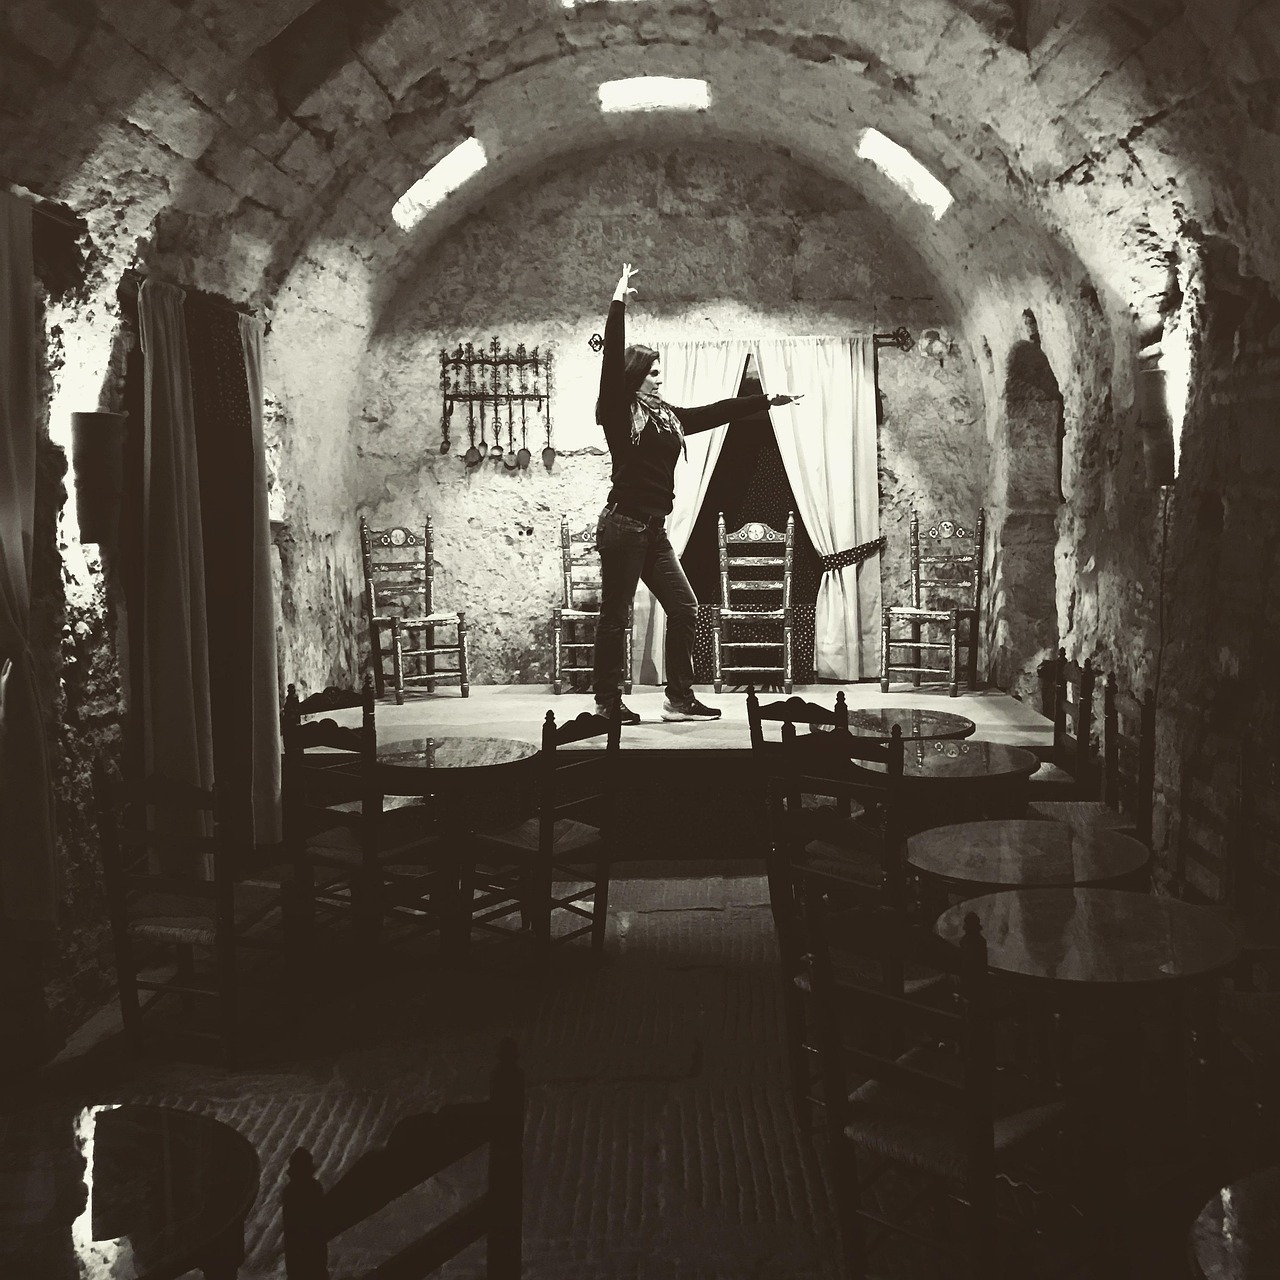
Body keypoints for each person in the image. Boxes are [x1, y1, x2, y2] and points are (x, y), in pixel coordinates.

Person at [591, 263, 803, 723]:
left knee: (685, 608)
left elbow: (713, 412)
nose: (659, 379)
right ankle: (607, 702)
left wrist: (764, 401)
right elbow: (609, 362)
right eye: (652, 373)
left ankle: (679, 696)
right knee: (615, 616)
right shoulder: (617, 411)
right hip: (623, 526)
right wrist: (618, 304)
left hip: (653, 531)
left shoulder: (666, 417)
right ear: (634, 377)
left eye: (660, 372)